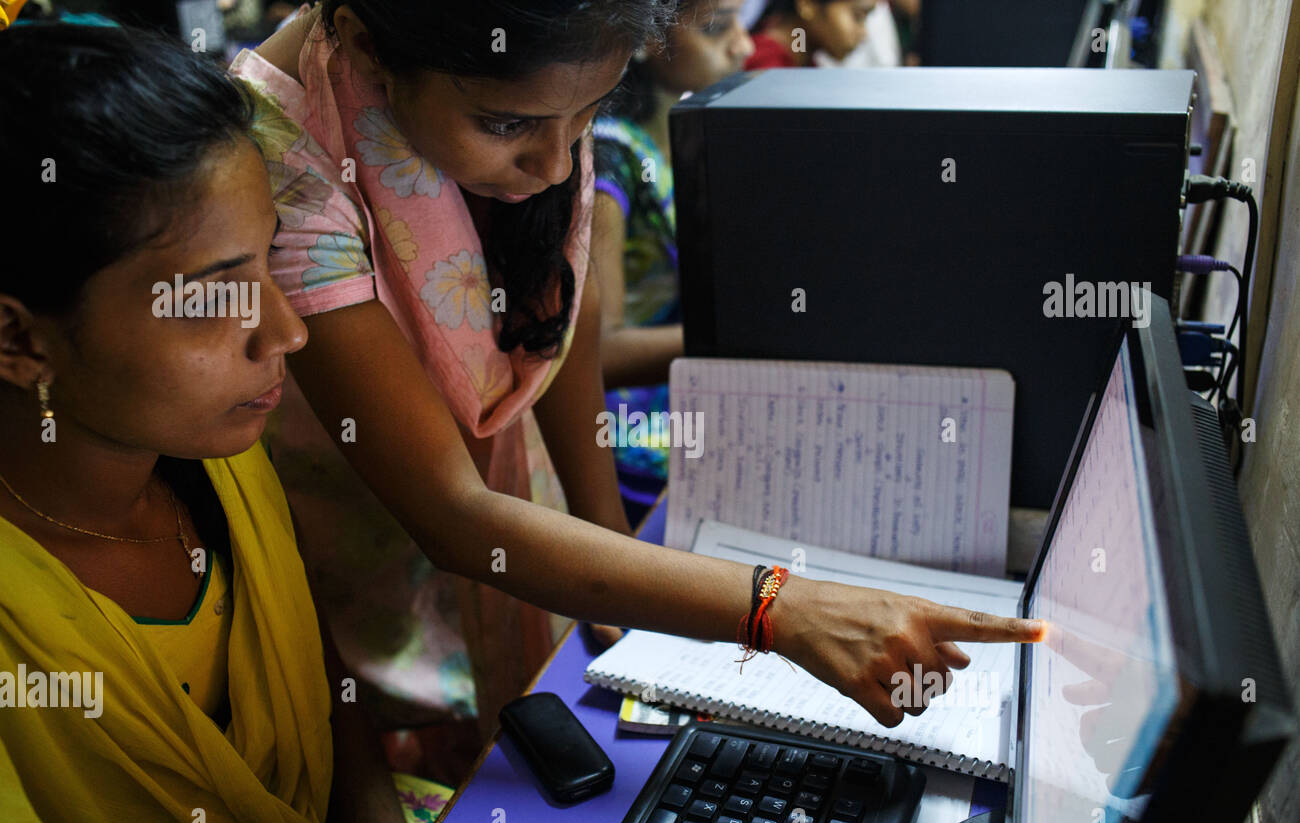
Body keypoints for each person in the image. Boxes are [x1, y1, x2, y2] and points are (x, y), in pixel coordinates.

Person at [232, 0, 1044, 750]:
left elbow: (557, 316)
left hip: (515, 506)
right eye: (506, 123)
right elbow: (450, 516)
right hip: (370, 537)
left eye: (588, 116)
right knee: (415, 747)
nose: (555, 165)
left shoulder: (547, 77)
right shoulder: (280, 160)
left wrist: (609, 552)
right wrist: (777, 606)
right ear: (373, 48)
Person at [0, 23, 411, 823]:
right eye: (214, 295)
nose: (286, 332)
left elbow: (324, 697)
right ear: (19, 338)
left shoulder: (220, 475)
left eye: (269, 263)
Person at [591, 0, 754, 523]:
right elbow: (597, 352)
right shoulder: (609, 160)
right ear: (641, 37)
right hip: (630, 424)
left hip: (691, 393)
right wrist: (744, 341)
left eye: (741, 24)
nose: (744, 46)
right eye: (714, 29)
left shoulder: (690, 139)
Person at [745, 0, 875, 69]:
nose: (864, 33)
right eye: (857, 16)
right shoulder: (765, 66)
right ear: (807, 5)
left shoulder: (803, 62)